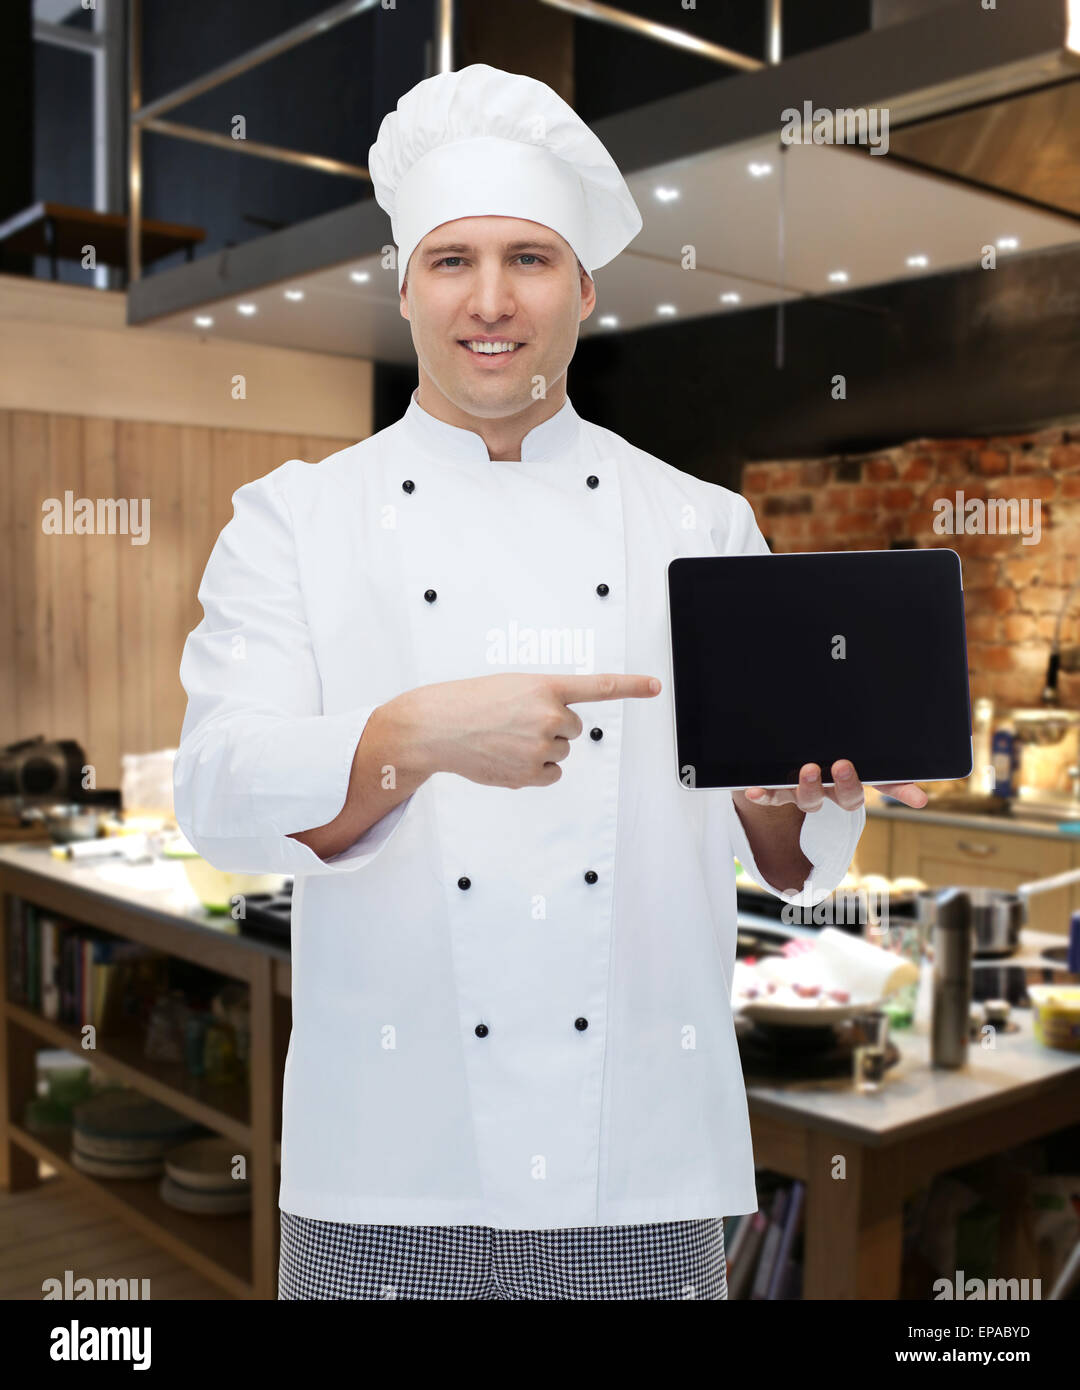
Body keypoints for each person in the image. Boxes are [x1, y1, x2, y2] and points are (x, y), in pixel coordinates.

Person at [173, 63, 927, 1301]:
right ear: (403, 283)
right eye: (453, 259)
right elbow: (216, 790)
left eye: (527, 259)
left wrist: (794, 797)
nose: (490, 300)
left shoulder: (703, 522)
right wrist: (409, 734)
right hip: (387, 1168)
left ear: (583, 287)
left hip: (636, 1161)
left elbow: (777, 851)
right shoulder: (295, 520)